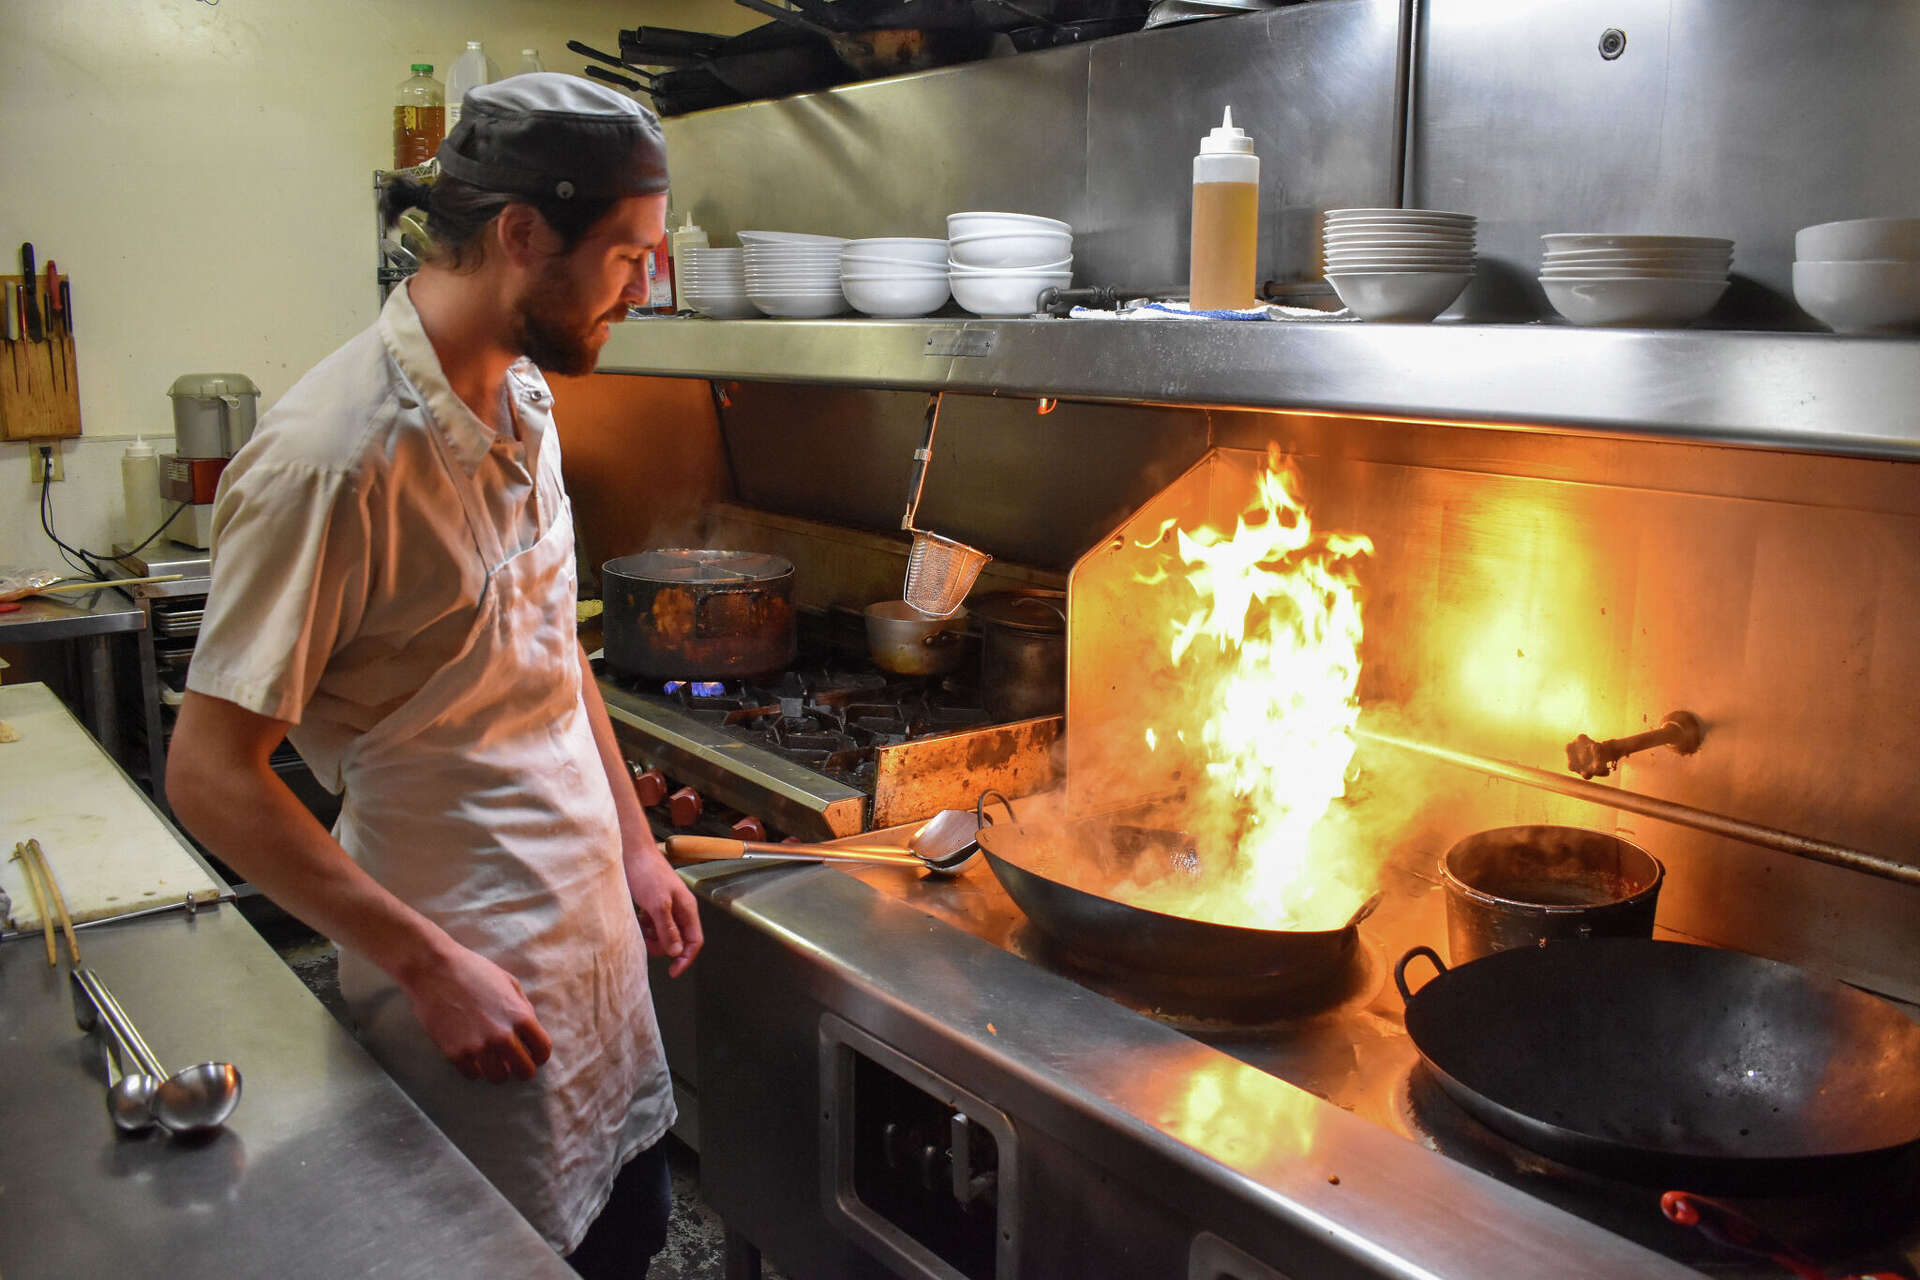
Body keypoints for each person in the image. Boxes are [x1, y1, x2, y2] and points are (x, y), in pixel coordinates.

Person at [166, 75, 701, 1276]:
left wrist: (631, 840)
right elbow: (210, 775)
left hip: (589, 944)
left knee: (630, 1232)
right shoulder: (332, 461)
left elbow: (551, 641)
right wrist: (429, 963)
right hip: (465, 966)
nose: (643, 285)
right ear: (521, 235)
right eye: (624, 254)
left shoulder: (523, 396)